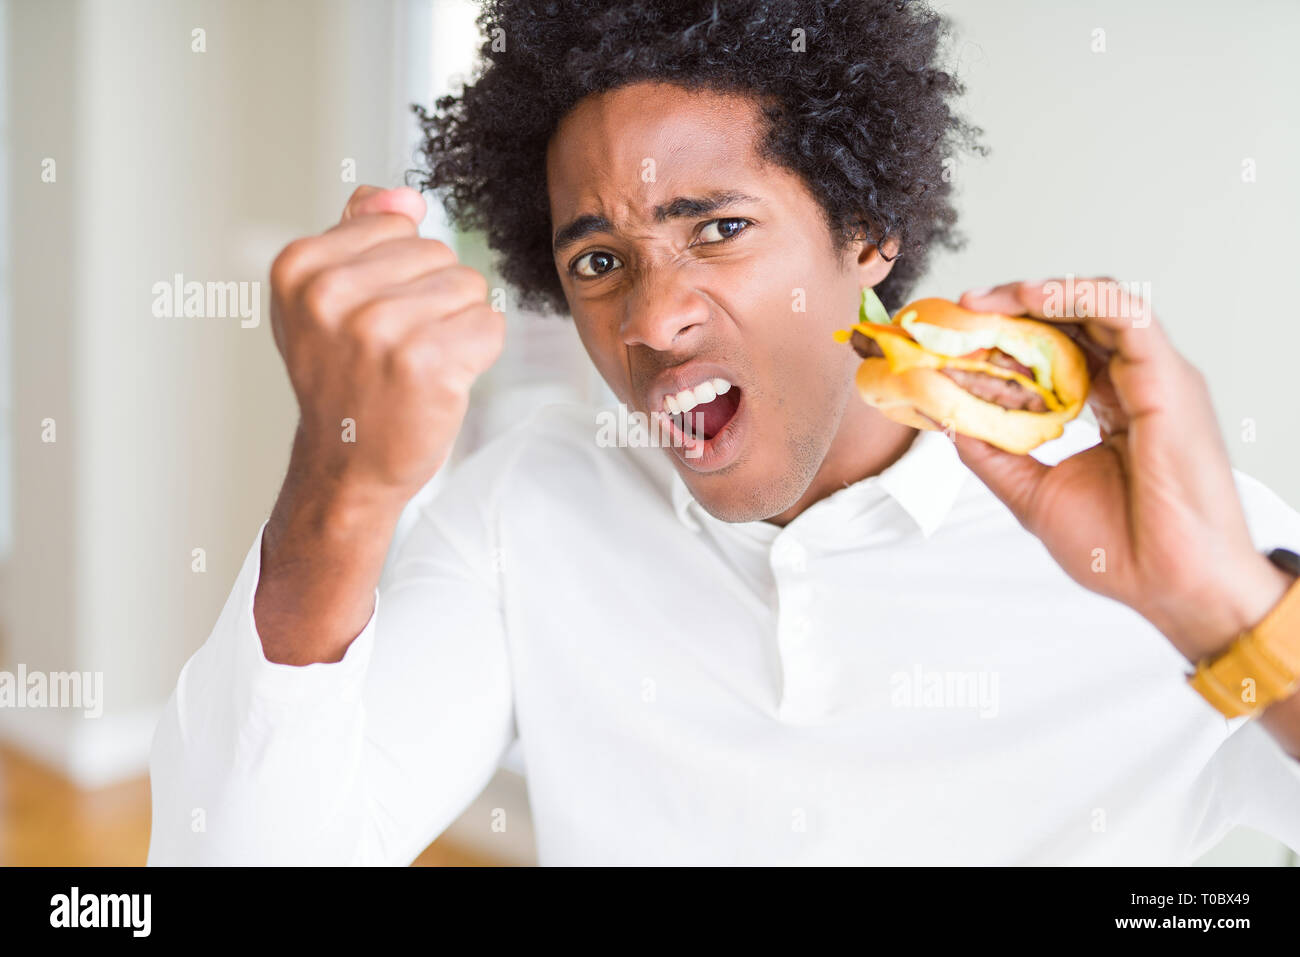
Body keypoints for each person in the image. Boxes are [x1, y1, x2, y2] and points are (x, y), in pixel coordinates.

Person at [147, 0, 1300, 865]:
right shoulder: (523, 509)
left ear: (867, 231)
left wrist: (1218, 608)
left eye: (720, 228)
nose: (649, 319)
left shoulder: (1193, 547)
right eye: (597, 259)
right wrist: (339, 490)